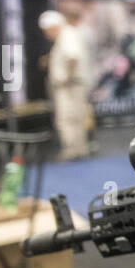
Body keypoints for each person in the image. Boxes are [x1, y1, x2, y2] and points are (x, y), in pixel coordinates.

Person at [40, 10, 91, 161]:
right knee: (76, 117)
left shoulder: (67, 34)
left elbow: (72, 57)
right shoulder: (67, 35)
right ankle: (79, 149)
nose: (46, 35)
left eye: (46, 31)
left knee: (66, 118)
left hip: (69, 86)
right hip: (73, 84)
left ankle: (72, 150)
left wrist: (68, 77)